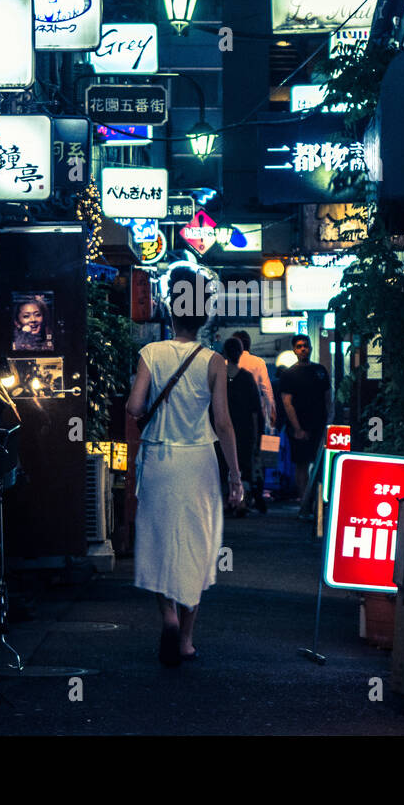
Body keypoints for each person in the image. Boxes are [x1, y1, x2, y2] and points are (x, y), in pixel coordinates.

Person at [126, 266, 244, 667]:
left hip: (159, 459)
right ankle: (188, 639)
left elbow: (135, 408)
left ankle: (168, 616)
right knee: (197, 543)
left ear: (170, 312)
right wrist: (236, 477)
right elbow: (223, 423)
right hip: (199, 461)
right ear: (203, 315)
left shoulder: (151, 354)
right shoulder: (214, 362)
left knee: (159, 541)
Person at [277, 334, 332, 512]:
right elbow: (287, 402)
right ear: (294, 349)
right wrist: (297, 428)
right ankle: (304, 502)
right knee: (301, 464)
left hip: (318, 425)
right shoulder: (289, 374)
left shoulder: (320, 371)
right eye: (299, 346)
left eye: (305, 346)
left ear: (310, 347)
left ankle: (315, 502)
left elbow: (327, 398)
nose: (303, 349)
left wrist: (328, 424)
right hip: (299, 426)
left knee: (319, 464)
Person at [221, 337, 264, 516]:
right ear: (240, 353)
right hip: (244, 431)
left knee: (223, 466)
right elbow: (256, 410)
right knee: (243, 466)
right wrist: (258, 435)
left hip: (220, 430)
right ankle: (241, 502)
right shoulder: (246, 378)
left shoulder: (218, 376)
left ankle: (225, 502)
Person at [231, 330, 276, 430]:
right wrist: (271, 412)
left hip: (232, 413)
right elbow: (267, 390)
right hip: (254, 413)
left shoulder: (226, 364)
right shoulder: (259, 362)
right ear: (249, 345)